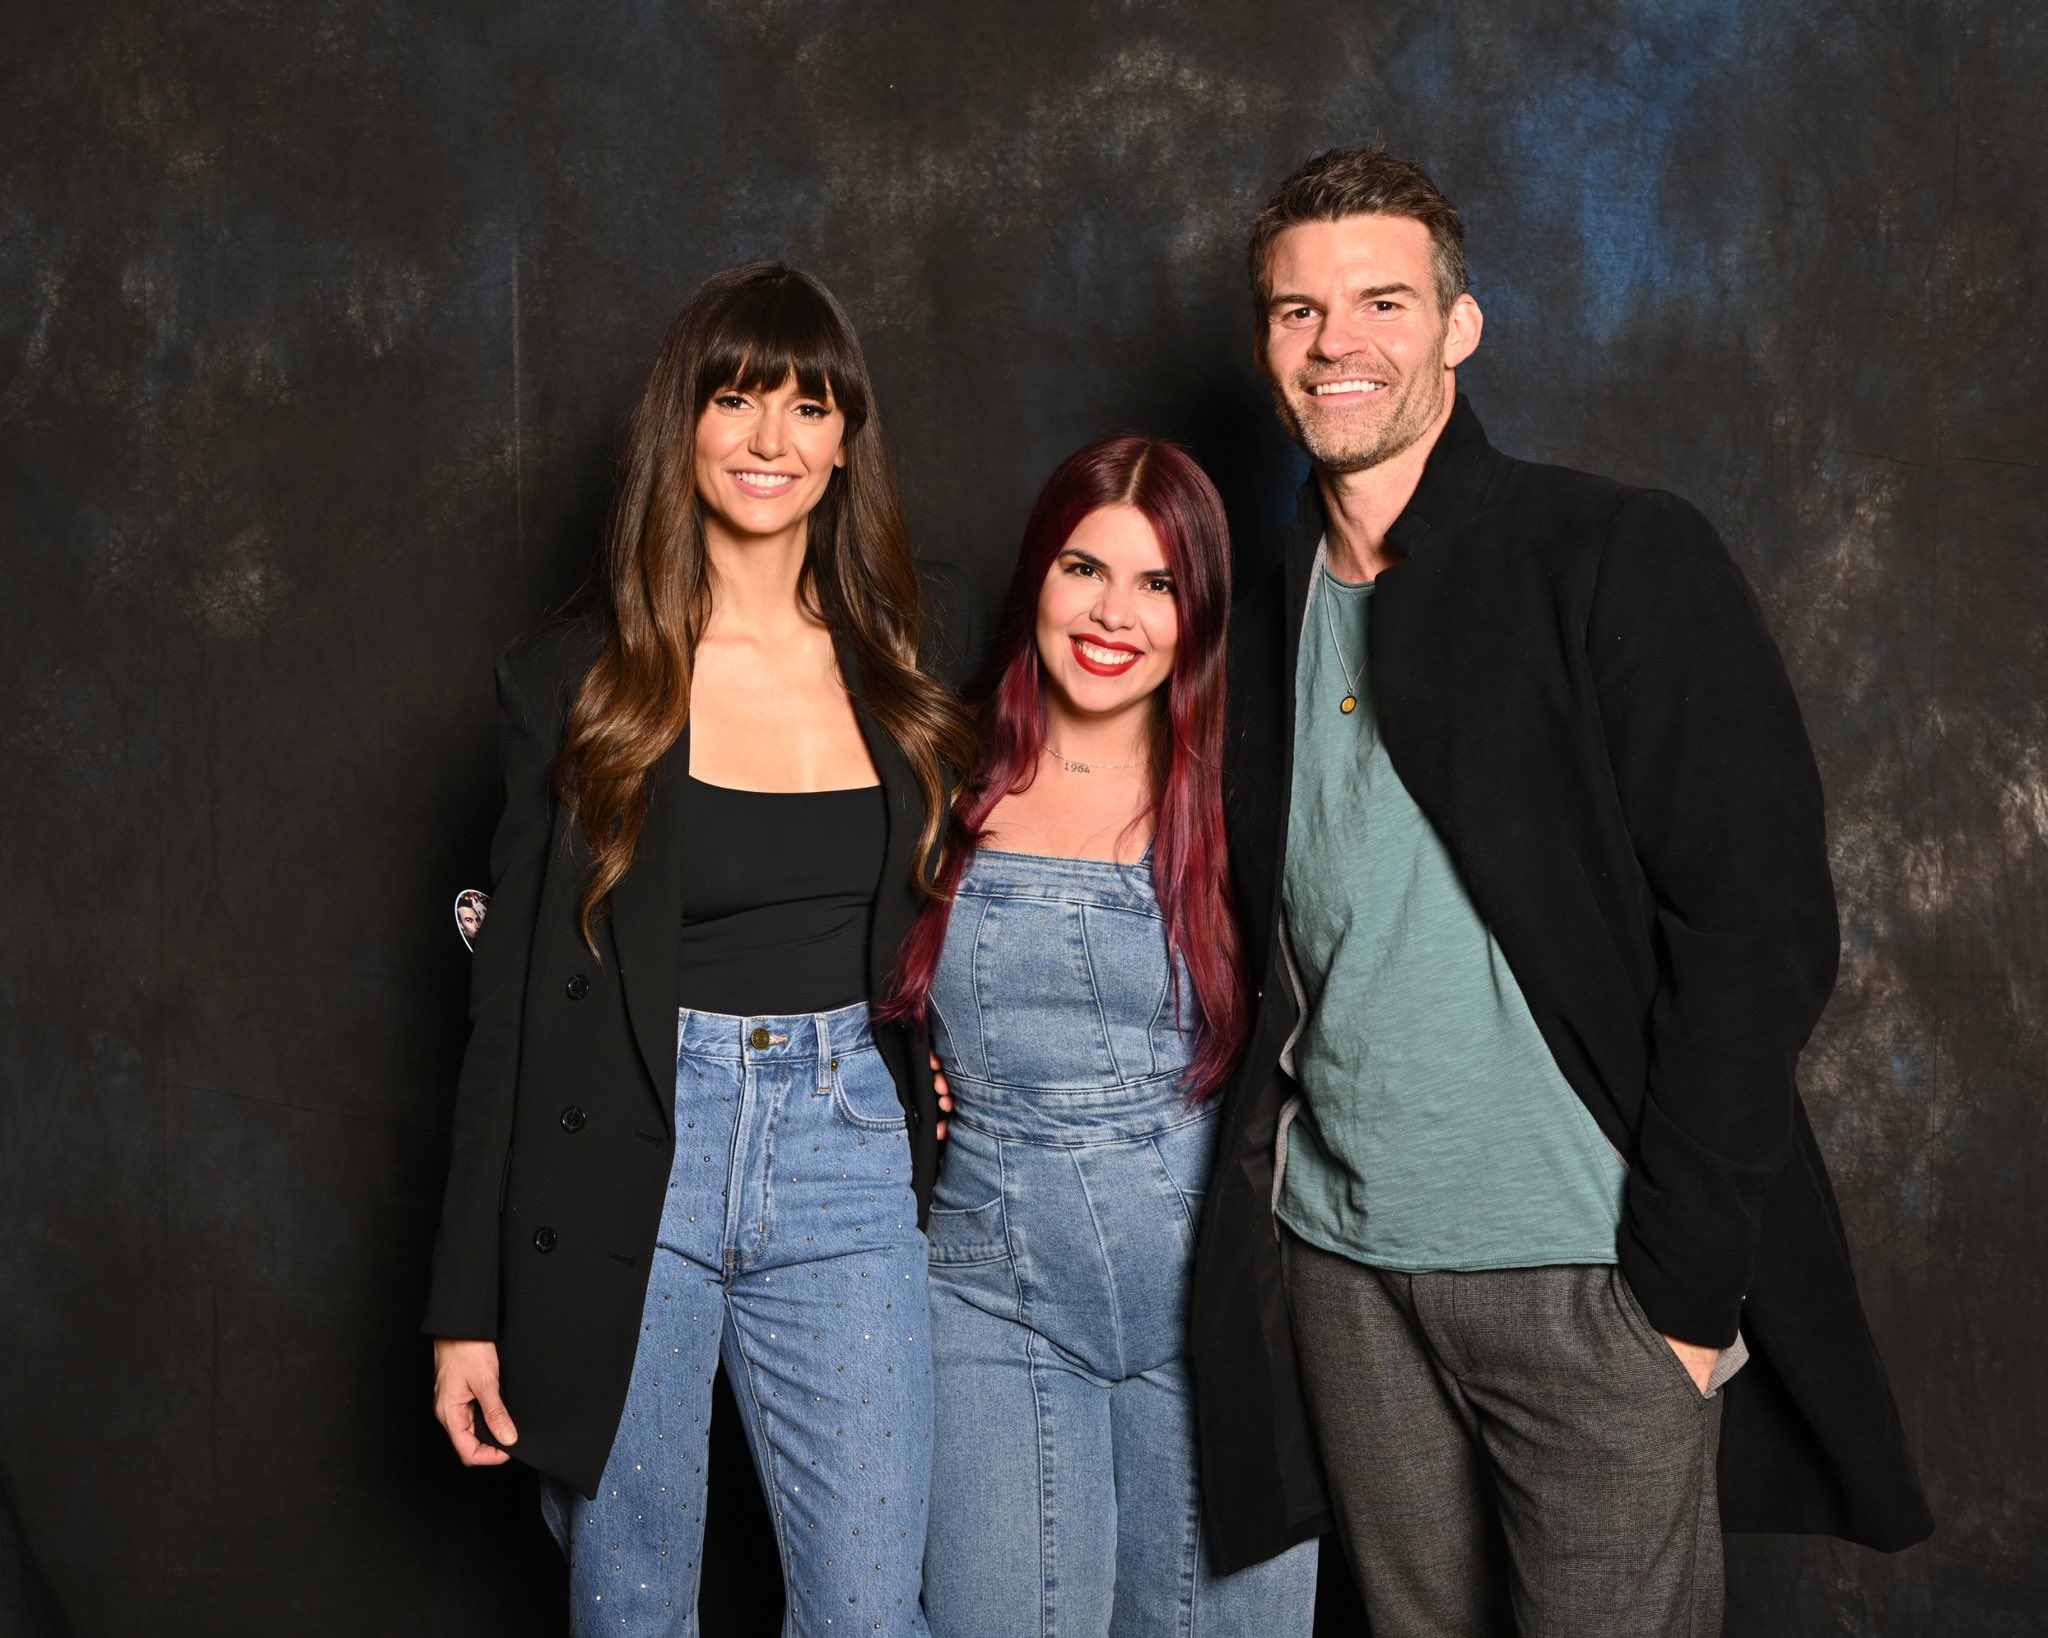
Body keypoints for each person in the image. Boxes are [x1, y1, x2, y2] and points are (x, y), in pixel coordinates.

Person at [1189, 147, 1934, 1635]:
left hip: (1586, 1272)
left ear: (1461, 327)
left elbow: (1759, 927)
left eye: (1383, 300)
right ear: (1265, 342)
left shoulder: (1612, 553)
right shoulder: (1253, 616)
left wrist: (1676, 1291)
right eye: (1297, 311)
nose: (1338, 343)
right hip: (1347, 1270)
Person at [422, 261, 978, 1636]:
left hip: (847, 1142)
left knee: (866, 1610)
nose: (770, 439)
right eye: (735, 399)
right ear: (685, 425)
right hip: (627, 1150)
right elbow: (508, 1015)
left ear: (848, 436)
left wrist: (944, 1059)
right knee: (633, 1607)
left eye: (807, 405)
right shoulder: (573, 679)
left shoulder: (909, 661)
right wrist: (462, 1308)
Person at [888, 436, 1319, 1637]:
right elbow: (812, 960)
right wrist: (899, 1076)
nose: (1111, 614)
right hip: (989, 1294)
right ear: (1038, 573)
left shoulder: (1245, 790)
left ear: (1200, 612)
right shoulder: (933, 774)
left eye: (1157, 584)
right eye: (1084, 568)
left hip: (1212, 1296)